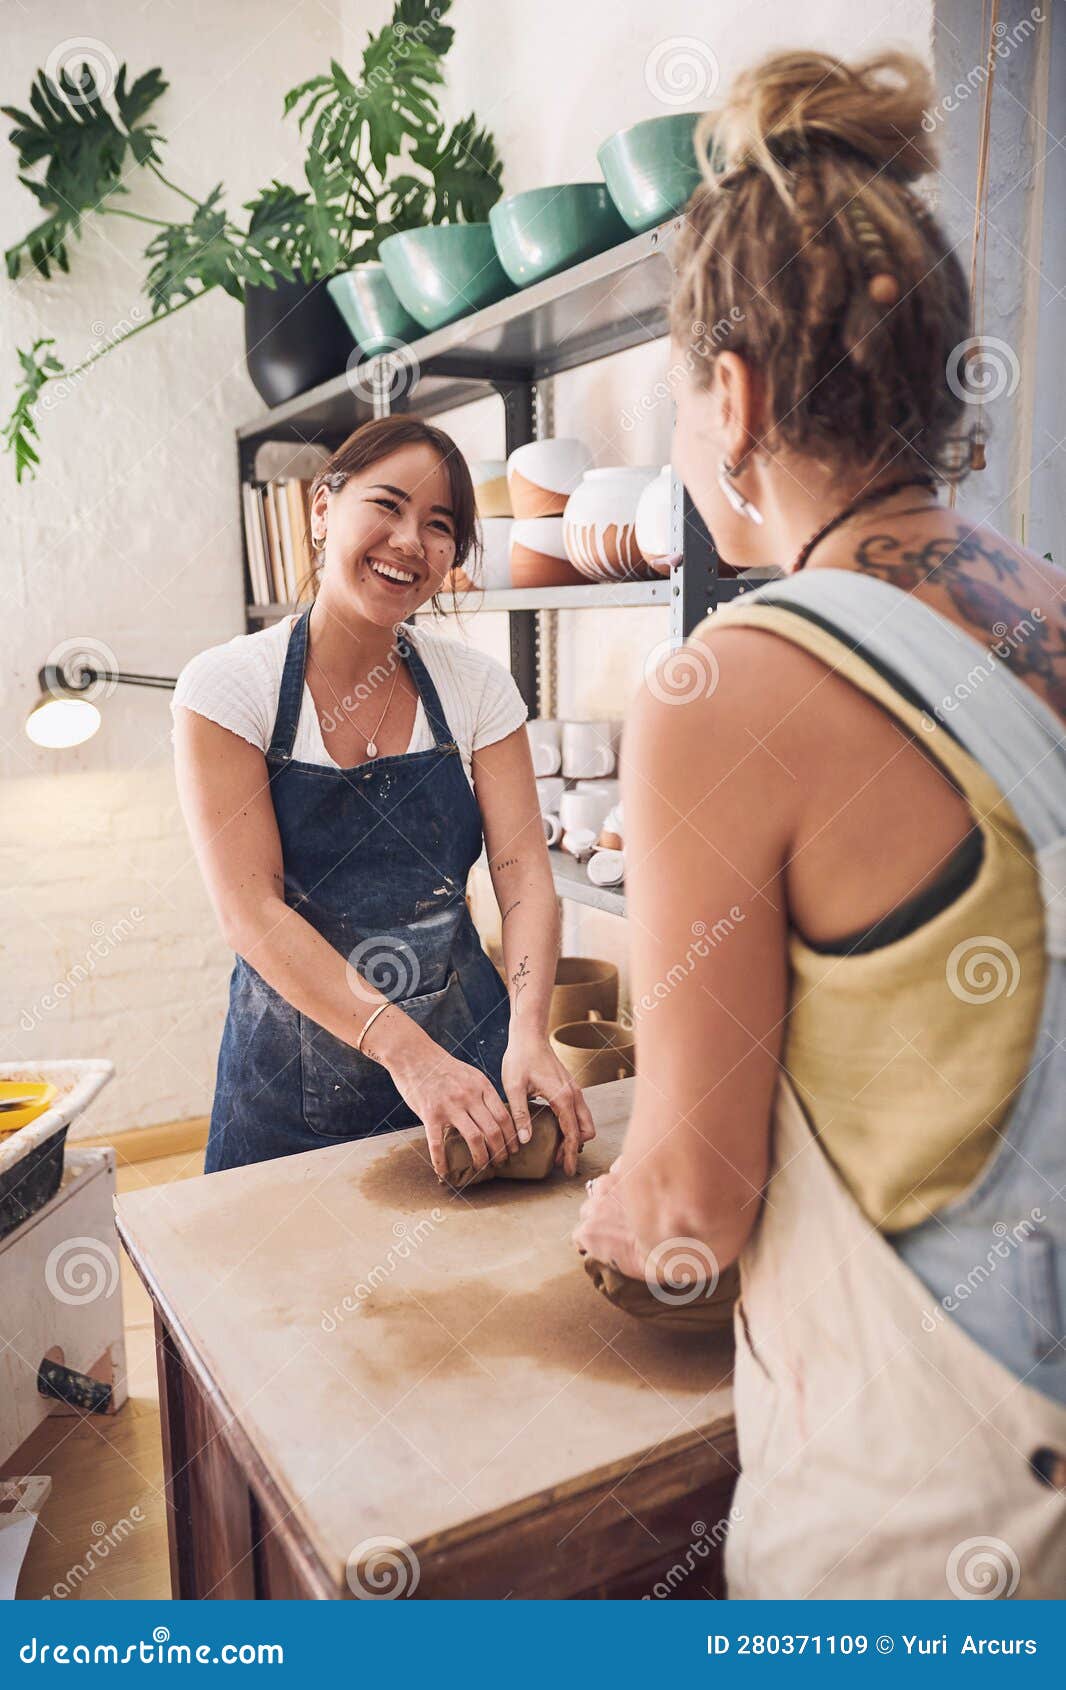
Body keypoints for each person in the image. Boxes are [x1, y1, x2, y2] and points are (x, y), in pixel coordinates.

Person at [572, 48, 1066, 1598]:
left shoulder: (724, 684)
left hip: (923, 1527)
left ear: (735, 394)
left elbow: (690, 1217)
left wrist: (613, 1204)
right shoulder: (1052, 610)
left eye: (675, 395)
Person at [173, 414, 594, 1176]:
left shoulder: (476, 688)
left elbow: (524, 872)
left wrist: (529, 1030)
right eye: (387, 505)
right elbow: (251, 911)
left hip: (474, 1055)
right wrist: (410, 1058)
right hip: (289, 1081)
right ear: (323, 509)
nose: (410, 541)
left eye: (439, 525)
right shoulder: (229, 688)